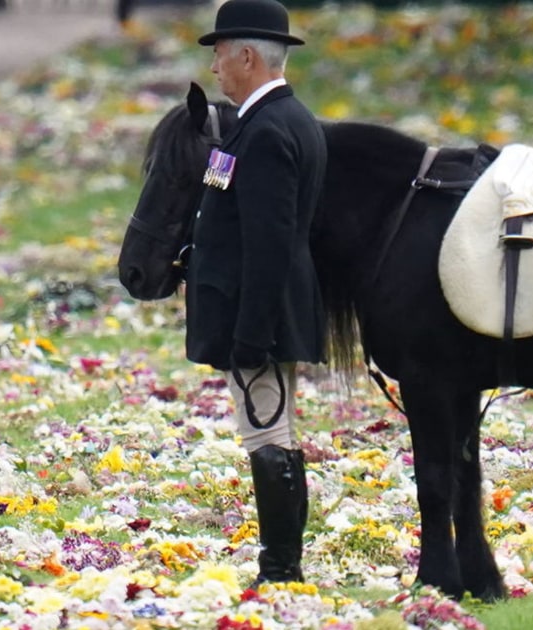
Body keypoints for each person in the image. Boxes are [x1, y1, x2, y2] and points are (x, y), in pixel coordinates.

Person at [188, 0, 327, 586]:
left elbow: (269, 246)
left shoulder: (267, 131)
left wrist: (251, 334)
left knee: (266, 435)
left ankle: (280, 570)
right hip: (263, 312)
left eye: (219, 54)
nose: (214, 67)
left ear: (246, 57)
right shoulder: (275, 120)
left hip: (259, 317)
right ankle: (283, 565)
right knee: (278, 433)